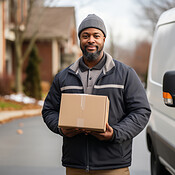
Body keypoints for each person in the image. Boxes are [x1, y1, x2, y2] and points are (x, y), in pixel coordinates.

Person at [42, 14, 151, 175]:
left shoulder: (125, 74)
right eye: (85, 36)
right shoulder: (63, 77)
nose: (91, 40)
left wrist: (115, 133)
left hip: (114, 165)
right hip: (75, 165)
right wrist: (61, 127)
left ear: (104, 39)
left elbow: (141, 111)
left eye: (96, 35)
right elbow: (49, 110)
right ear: (80, 40)